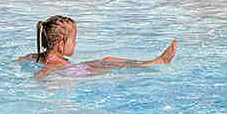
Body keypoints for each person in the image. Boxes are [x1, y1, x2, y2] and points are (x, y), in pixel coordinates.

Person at [22, 15, 177, 79]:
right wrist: (38, 78)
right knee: (113, 67)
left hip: (74, 69)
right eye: (73, 40)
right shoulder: (57, 65)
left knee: (108, 59)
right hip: (76, 72)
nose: (75, 43)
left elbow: (24, 61)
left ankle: (156, 61)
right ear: (61, 44)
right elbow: (45, 71)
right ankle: (157, 62)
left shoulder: (34, 57)